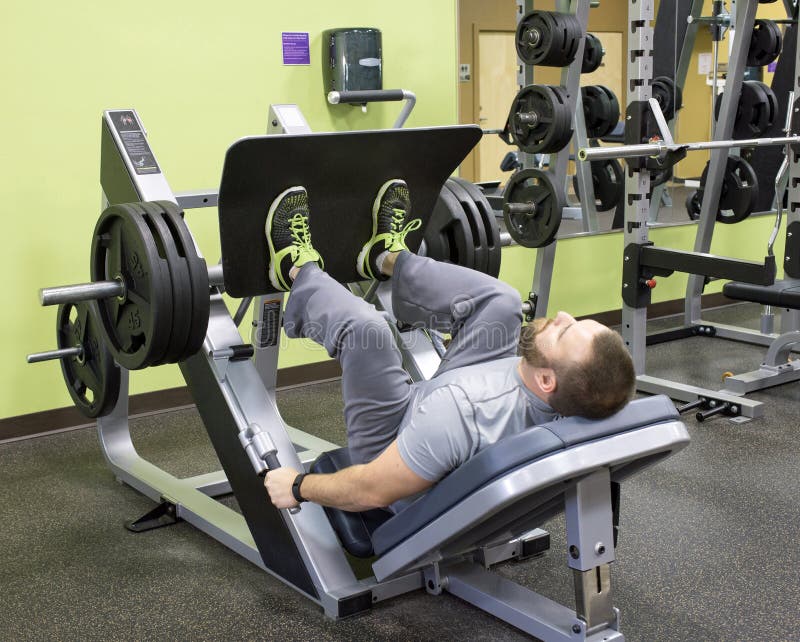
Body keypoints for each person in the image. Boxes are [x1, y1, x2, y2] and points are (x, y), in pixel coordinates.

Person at [263, 179, 635, 513]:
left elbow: (372, 490)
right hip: (480, 391)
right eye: (573, 322)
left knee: (368, 331)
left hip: (393, 439)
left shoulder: (458, 412)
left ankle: (297, 270)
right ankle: (385, 256)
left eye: (563, 332)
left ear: (548, 381)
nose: (563, 315)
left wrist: (297, 487)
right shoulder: (581, 400)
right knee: (503, 303)